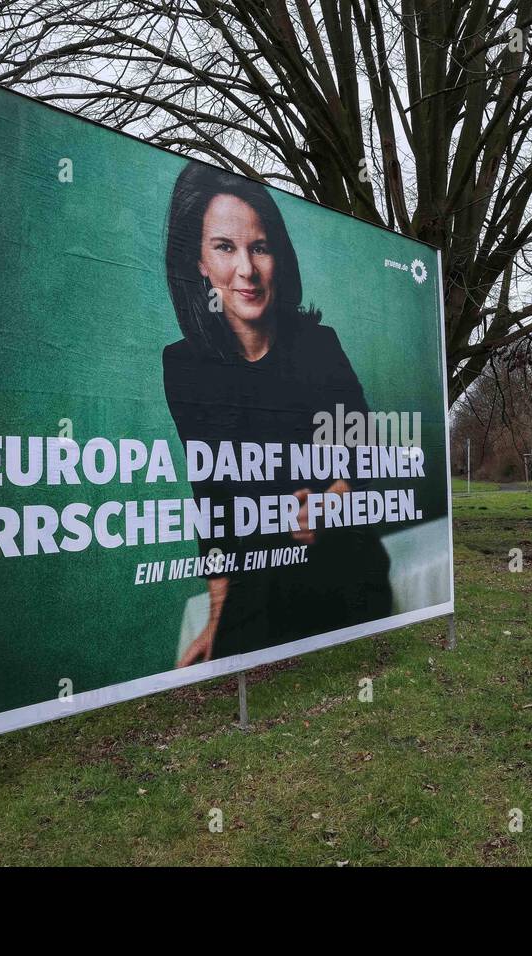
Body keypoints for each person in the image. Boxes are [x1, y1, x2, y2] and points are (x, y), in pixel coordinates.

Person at [161, 162, 392, 666]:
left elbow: (367, 453)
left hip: (340, 561)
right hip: (256, 576)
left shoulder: (317, 345)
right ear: (198, 260)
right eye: (224, 247)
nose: (245, 268)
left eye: (259, 247)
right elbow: (212, 495)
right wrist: (218, 615)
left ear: (276, 256)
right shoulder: (182, 367)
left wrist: (334, 502)